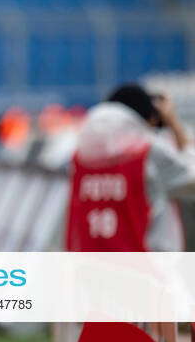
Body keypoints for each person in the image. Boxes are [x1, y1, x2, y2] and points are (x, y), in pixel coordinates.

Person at [66, 83, 195, 252]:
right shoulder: (147, 151)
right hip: (145, 260)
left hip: (92, 258)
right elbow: (190, 177)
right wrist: (173, 122)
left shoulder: (80, 155)